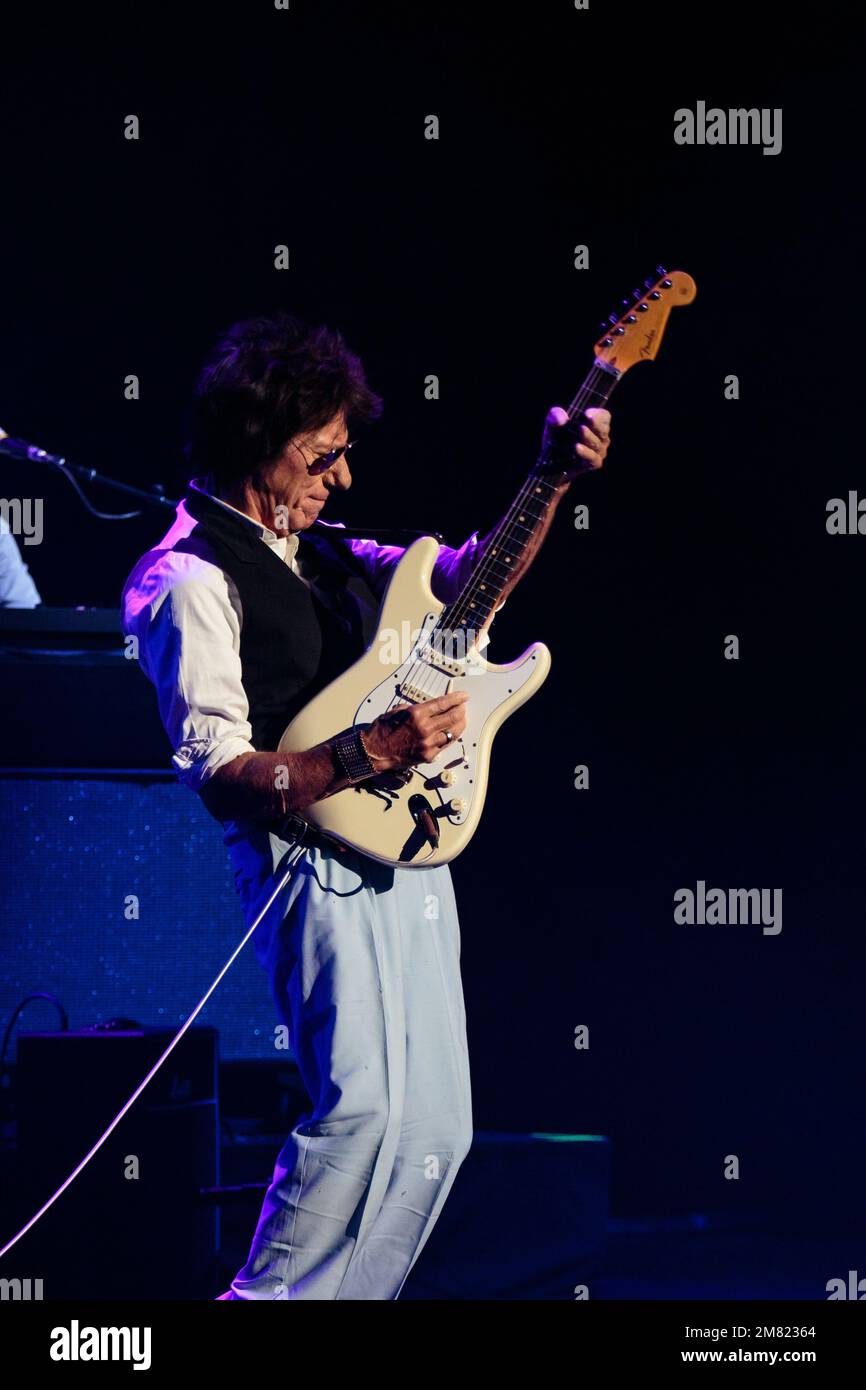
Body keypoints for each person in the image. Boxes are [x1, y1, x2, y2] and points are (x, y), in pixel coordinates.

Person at [121, 311, 611, 1300]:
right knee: (359, 1115)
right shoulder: (185, 580)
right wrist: (371, 747)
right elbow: (216, 767)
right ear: (258, 442)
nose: (341, 476)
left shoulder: (331, 551)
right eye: (322, 454)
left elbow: (469, 588)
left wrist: (549, 477)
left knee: (435, 1130)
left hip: (411, 843)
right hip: (306, 860)